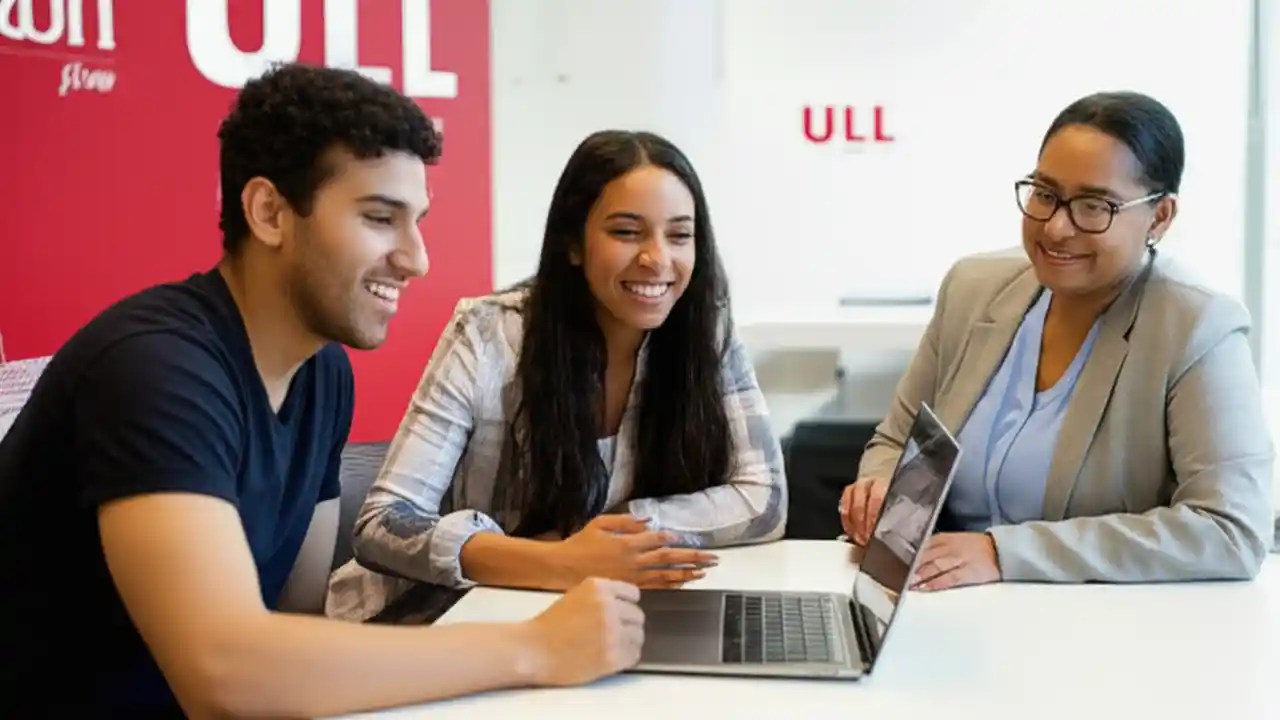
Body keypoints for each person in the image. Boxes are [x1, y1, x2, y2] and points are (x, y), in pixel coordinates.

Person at [0, 63, 646, 718]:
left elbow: (298, 618)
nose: (416, 257)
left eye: (416, 220)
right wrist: (535, 648)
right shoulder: (154, 369)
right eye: (379, 218)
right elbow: (226, 672)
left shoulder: (322, 373)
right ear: (269, 212)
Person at [326, 130, 788, 622]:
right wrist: (560, 562)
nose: (657, 259)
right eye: (627, 232)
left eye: (679, 235)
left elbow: (764, 498)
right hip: (430, 619)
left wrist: (610, 536)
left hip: (593, 615)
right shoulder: (489, 332)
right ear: (573, 244)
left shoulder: (705, 331)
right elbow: (383, 525)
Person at [839, 91, 1273, 591]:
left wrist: (1006, 553)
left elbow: (1230, 529)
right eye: (1045, 194)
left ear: (1159, 217)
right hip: (942, 607)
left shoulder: (1198, 327)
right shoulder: (972, 289)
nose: (1056, 227)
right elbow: (898, 440)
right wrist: (879, 488)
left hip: (1101, 631)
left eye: (1095, 206)